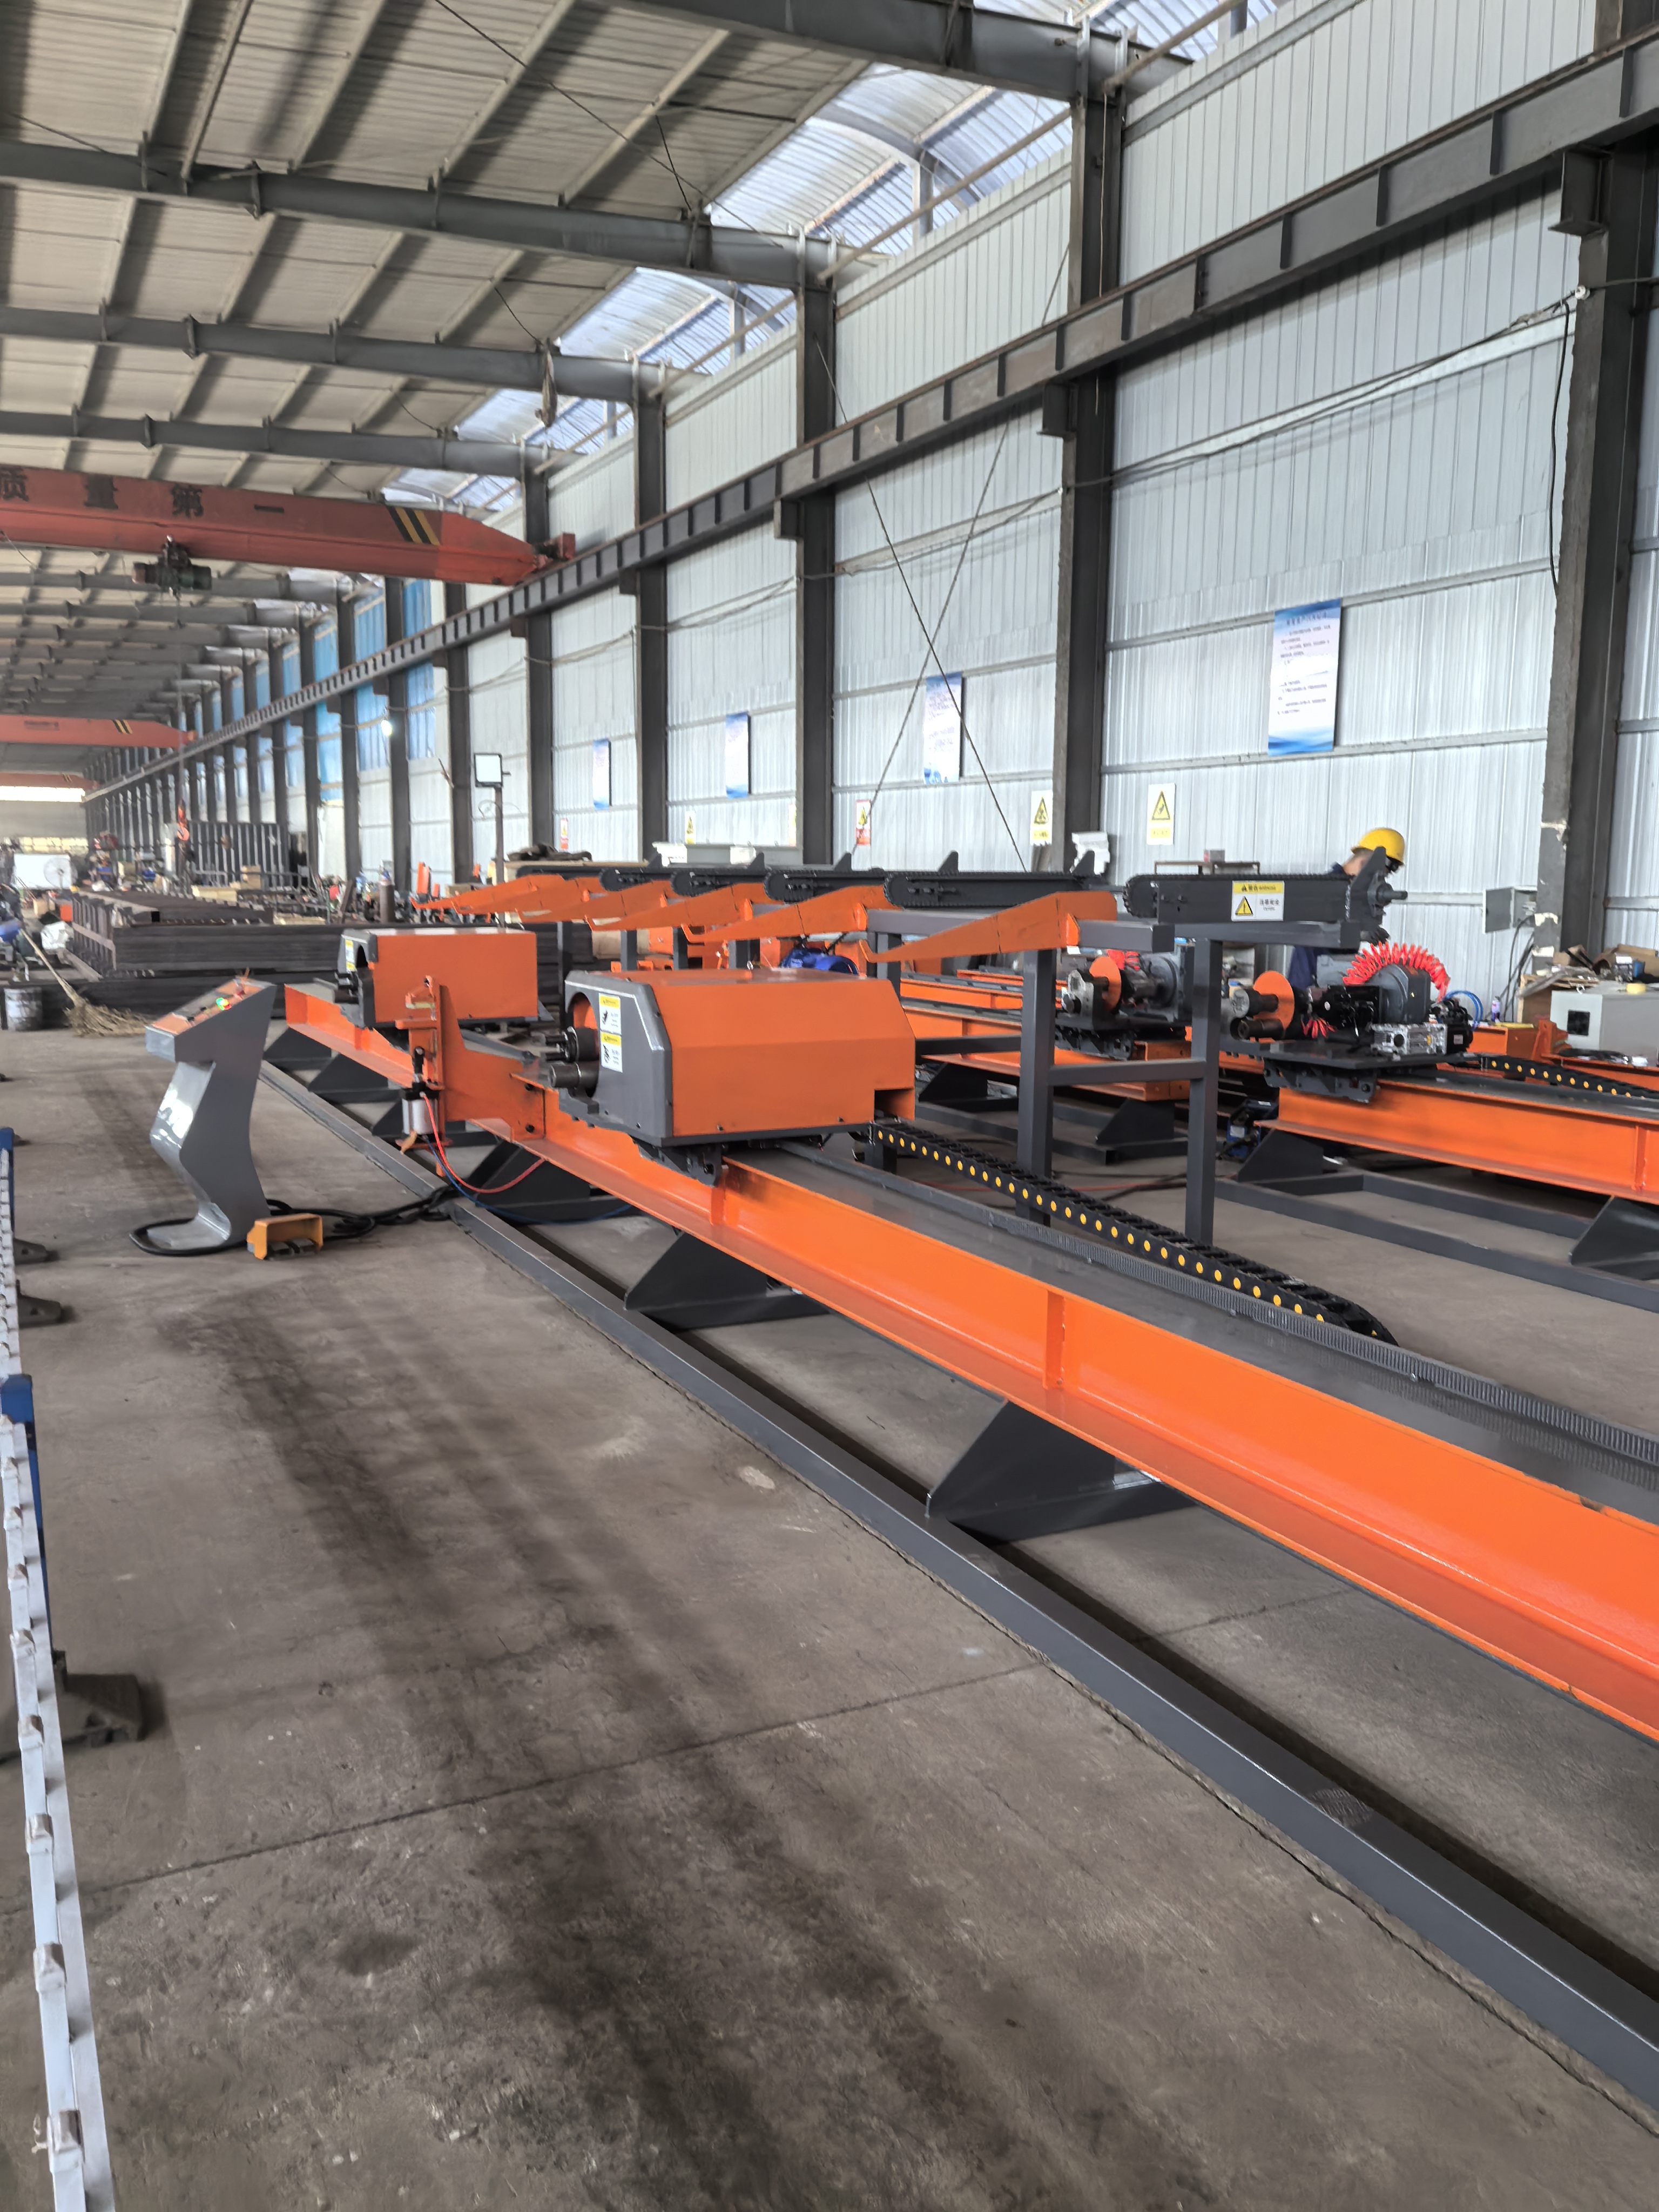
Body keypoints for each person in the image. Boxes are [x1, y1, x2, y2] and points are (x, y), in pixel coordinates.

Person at [1286, 827, 1405, 994]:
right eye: (1380, 876)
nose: (1380, 882)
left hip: (1335, 986)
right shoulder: (1325, 888)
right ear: (1364, 864)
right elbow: (1316, 929)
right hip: (1307, 987)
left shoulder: (1354, 894)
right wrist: (1359, 934)